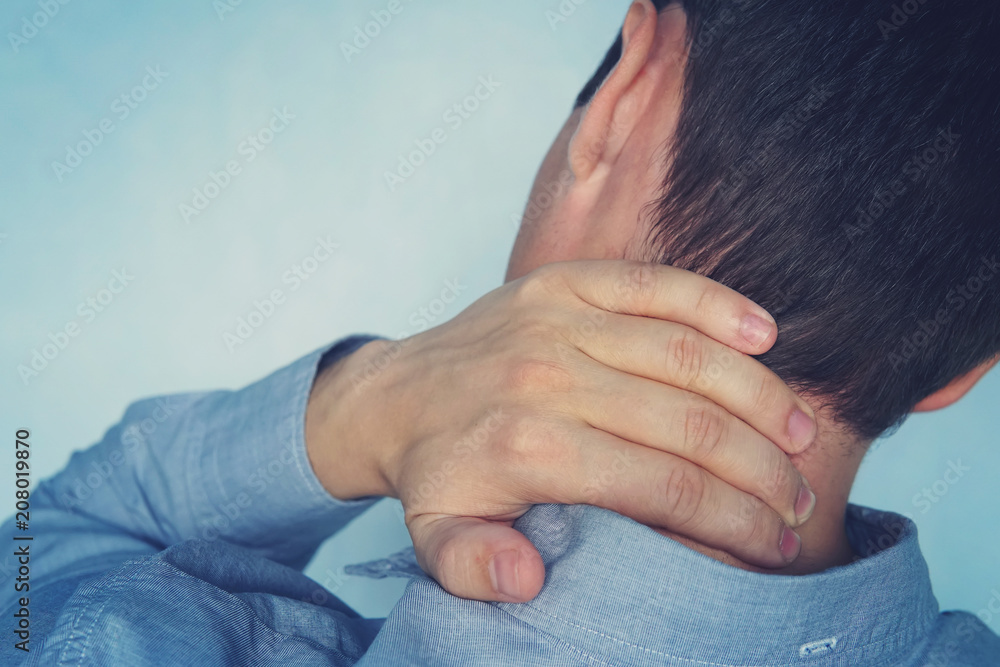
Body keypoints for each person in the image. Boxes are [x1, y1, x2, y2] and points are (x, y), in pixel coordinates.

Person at [4, 0, 999, 664]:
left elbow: (42, 543)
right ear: (960, 371)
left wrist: (361, 407)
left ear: (626, 93)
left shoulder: (146, 632)